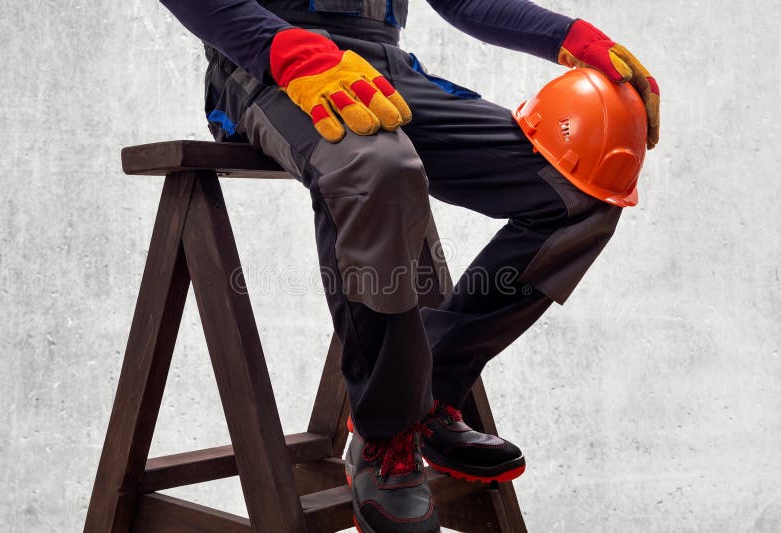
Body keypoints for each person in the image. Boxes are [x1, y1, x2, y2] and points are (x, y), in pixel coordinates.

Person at [157, 1, 661, 531]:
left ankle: (429, 389)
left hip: (385, 70)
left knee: (583, 184)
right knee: (376, 167)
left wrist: (571, 36)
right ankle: (387, 435)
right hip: (262, 66)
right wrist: (287, 51)